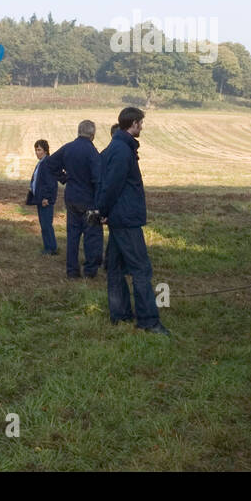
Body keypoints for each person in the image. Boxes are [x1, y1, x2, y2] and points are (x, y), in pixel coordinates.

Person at [91, 107, 168, 335]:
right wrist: (101, 210)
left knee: (114, 267)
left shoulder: (116, 147)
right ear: (133, 123)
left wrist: (102, 210)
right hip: (125, 219)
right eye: (141, 123)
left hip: (118, 217)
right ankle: (148, 321)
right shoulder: (122, 150)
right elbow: (111, 185)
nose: (142, 127)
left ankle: (120, 313)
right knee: (141, 269)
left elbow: (105, 183)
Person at [46, 120, 104, 279]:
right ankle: (90, 271)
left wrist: (64, 178)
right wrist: (101, 204)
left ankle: (72, 271)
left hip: (71, 198)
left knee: (73, 235)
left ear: (78, 132)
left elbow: (49, 163)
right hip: (89, 201)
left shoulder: (68, 148)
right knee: (91, 235)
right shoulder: (92, 152)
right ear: (93, 134)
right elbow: (98, 179)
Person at [27, 139, 59, 255]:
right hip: (40, 199)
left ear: (45, 150)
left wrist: (47, 198)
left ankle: (51, 248)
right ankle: (48, 247)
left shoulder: (47, 163)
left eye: (39, 150)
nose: (37, 152)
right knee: (44, 224)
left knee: (46, 224)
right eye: (35, 150)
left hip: (45, 200)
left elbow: (51, 183)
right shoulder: (41, 162)